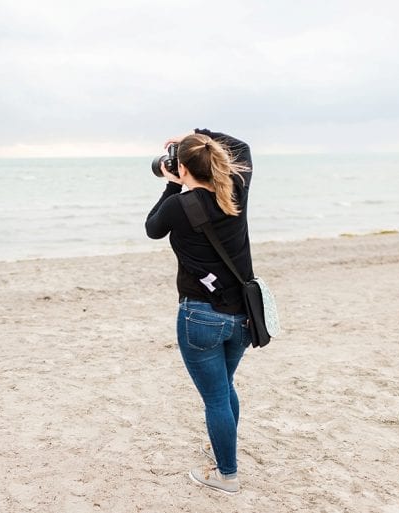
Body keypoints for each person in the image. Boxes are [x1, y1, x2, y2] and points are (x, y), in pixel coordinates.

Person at [145, 128, 254, 495]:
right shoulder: (236, 188)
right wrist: (196, 133)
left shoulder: (179, 204)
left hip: (200, 315)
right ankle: (222, 446)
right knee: (225, 388)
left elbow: (152, 229)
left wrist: (171, 184)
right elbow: (242, 148)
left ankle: (226, 475)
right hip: (241, 316)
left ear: (183, 169)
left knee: (216, 398)